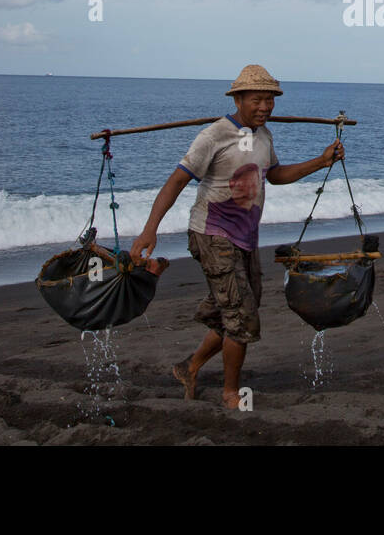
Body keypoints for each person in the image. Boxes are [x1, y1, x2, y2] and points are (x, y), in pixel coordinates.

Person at [129, 64, 343, 409]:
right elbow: (177, 181)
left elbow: (274, 175)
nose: (265, 107)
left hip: (246, 236)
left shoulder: (264, 136)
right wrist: (149, 230)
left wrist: (320, 162)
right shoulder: (214, 135)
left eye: (270, 100)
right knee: (242, 317)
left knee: (237, 310)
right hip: (212, 234)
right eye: (257, 100)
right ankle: (231, 393)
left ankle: (190, 367)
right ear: (239, 99)